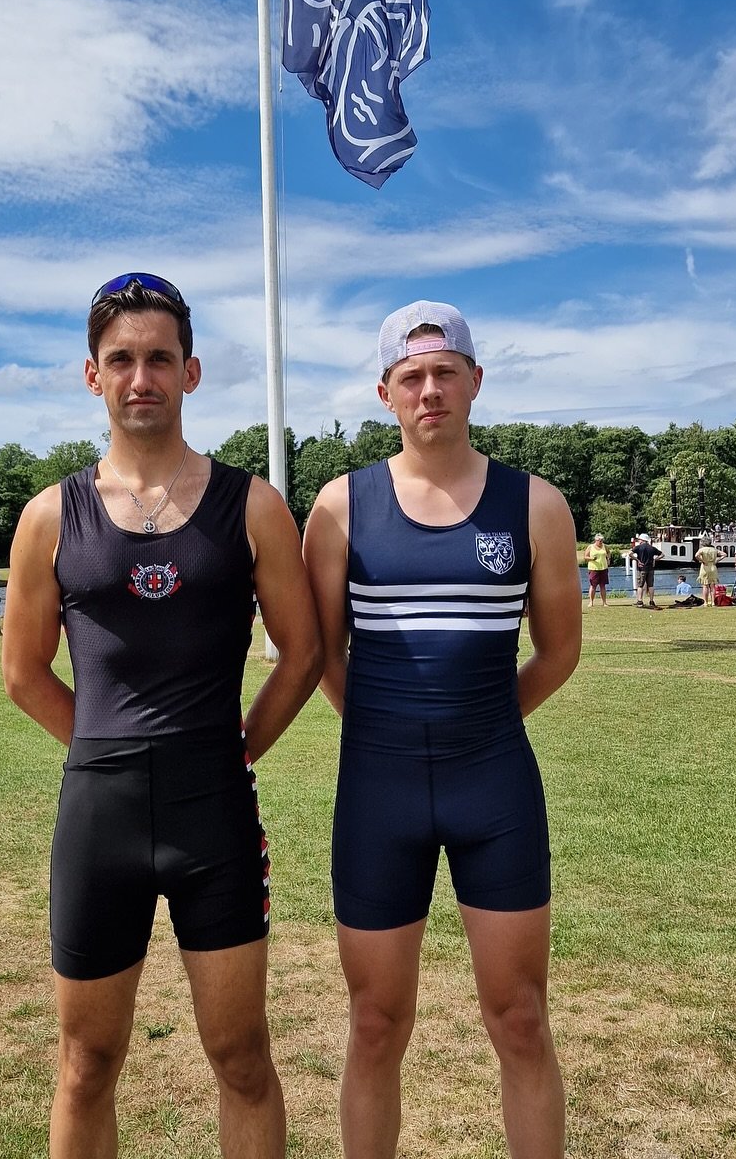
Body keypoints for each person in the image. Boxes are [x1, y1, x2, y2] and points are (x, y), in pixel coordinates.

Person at [3, 272, 323, 1159]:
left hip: (214, 808)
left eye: (158, 358)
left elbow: (303, 654)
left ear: (190, 372)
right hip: (98, 814)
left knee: (242, 1056)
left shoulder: (251, 505)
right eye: (121, 360)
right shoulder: (49, 518)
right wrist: (112, 751)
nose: (139, 376)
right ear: (92, 375)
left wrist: (236, 745)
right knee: (86, 1062)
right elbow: (25, 673)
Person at [303, 300, 581, 1159]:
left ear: (474, 383)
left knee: (521, 1018)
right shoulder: (341, 507)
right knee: (376, 1023)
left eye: (445, 373)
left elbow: (559, 653)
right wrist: (390, 728)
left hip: (493, 785)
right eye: (412, 377)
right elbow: (321, 655)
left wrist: (480, 724)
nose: (430, 390)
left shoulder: (534, 506)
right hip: (378, 793)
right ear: (385, 391)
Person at [631, 532, 663, 609]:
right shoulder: (652, 548)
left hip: (642, 568)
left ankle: (640, 601)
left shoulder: (638, 547)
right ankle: (651, 601)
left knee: (640, 585)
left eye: (639, 540)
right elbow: (662, 554)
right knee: (651, 585)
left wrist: (637, 560)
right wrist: (655, 559)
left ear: (642, 540)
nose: (639, 541)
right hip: (651, 568)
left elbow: (630, 554)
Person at [584, 532, 611, 606]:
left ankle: (604, 602)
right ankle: (591, 602)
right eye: (599, 540)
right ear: (595, 540)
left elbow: (608, 553)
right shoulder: (590, 547)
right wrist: (592, 558)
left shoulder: (605, 546)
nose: (601, 542)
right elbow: (585, 557)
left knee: (603, 585)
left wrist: (608, 559)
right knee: (593, 585)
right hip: (593, 568)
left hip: (603, 568)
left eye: (602, 540)